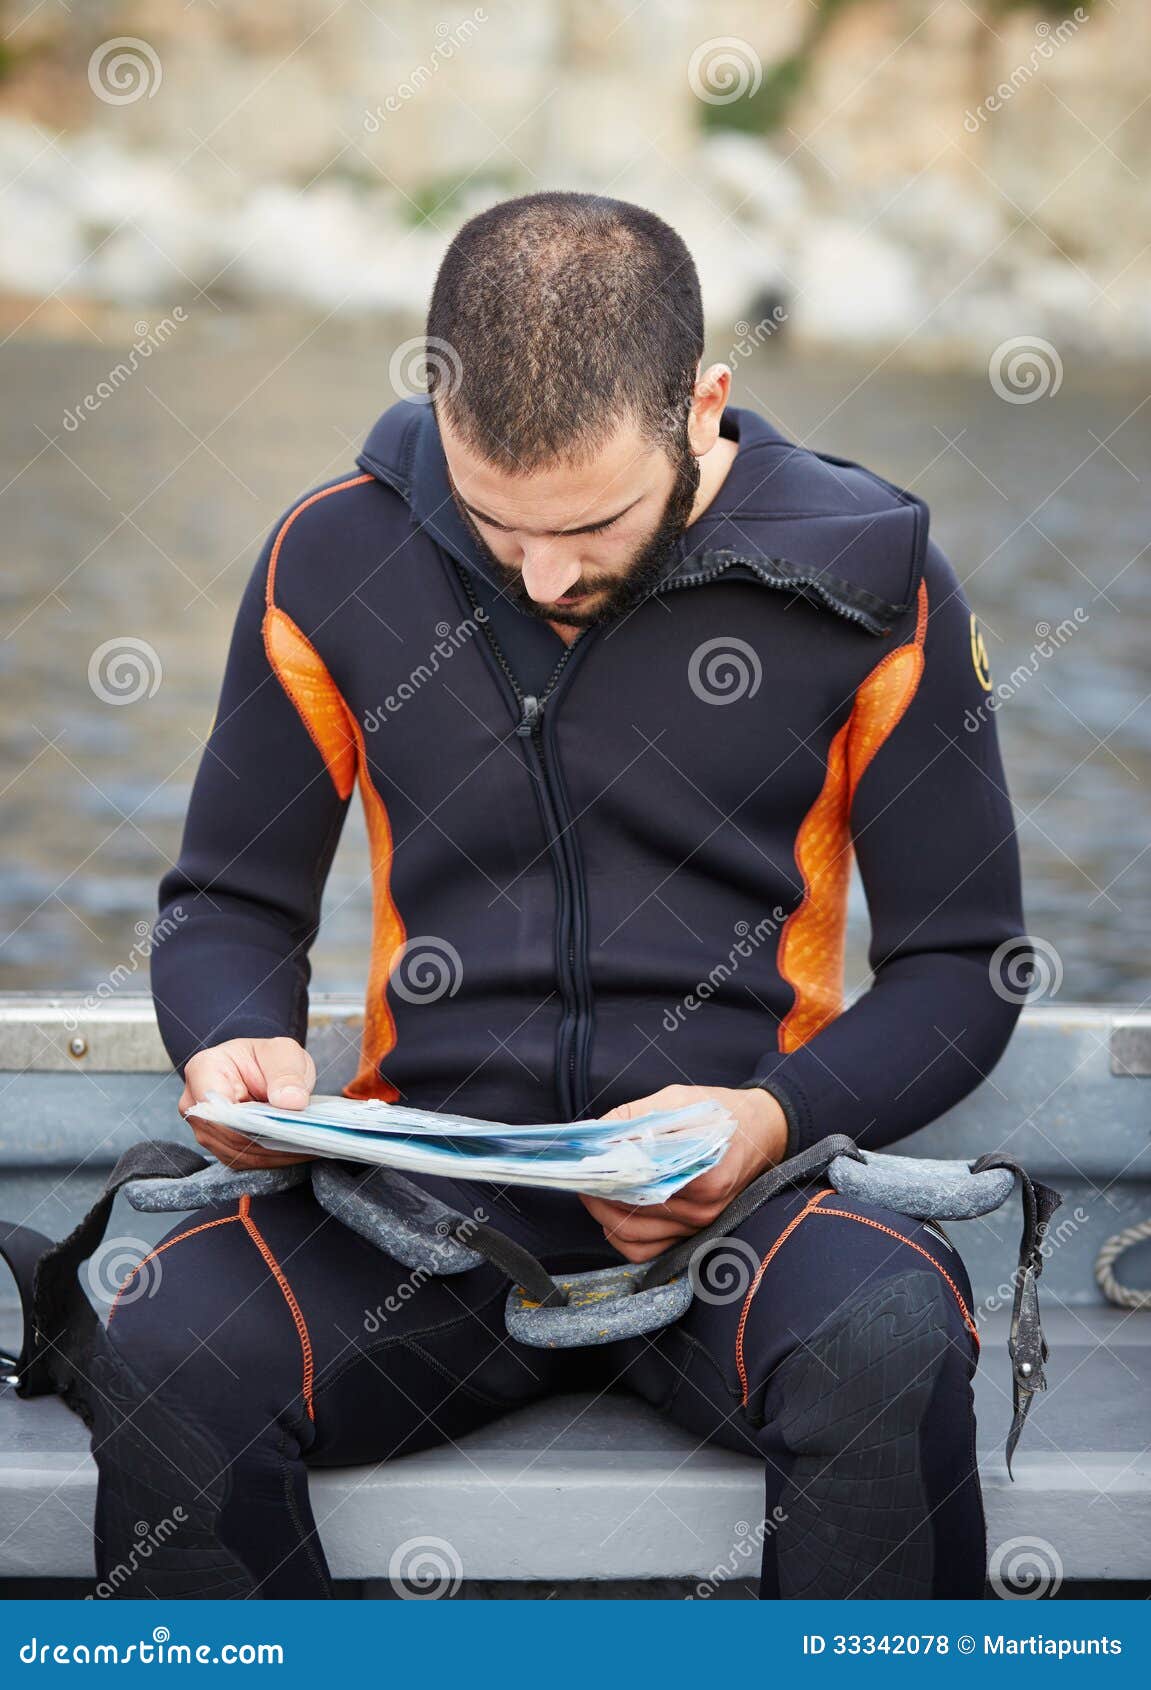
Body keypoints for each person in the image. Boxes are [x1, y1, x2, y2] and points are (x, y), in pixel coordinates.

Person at [100, 191, 1026, 1599]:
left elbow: (965, 963)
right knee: (160, 1337)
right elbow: (226, 901)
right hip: (414, 1226)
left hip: (747, 1216)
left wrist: (764, 1118)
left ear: (704, 405)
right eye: (488, 520)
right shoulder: (332, 556)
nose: (539, 575)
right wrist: (228, 1036)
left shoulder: (872, 574)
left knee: (888, 1329)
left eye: (592, 525)